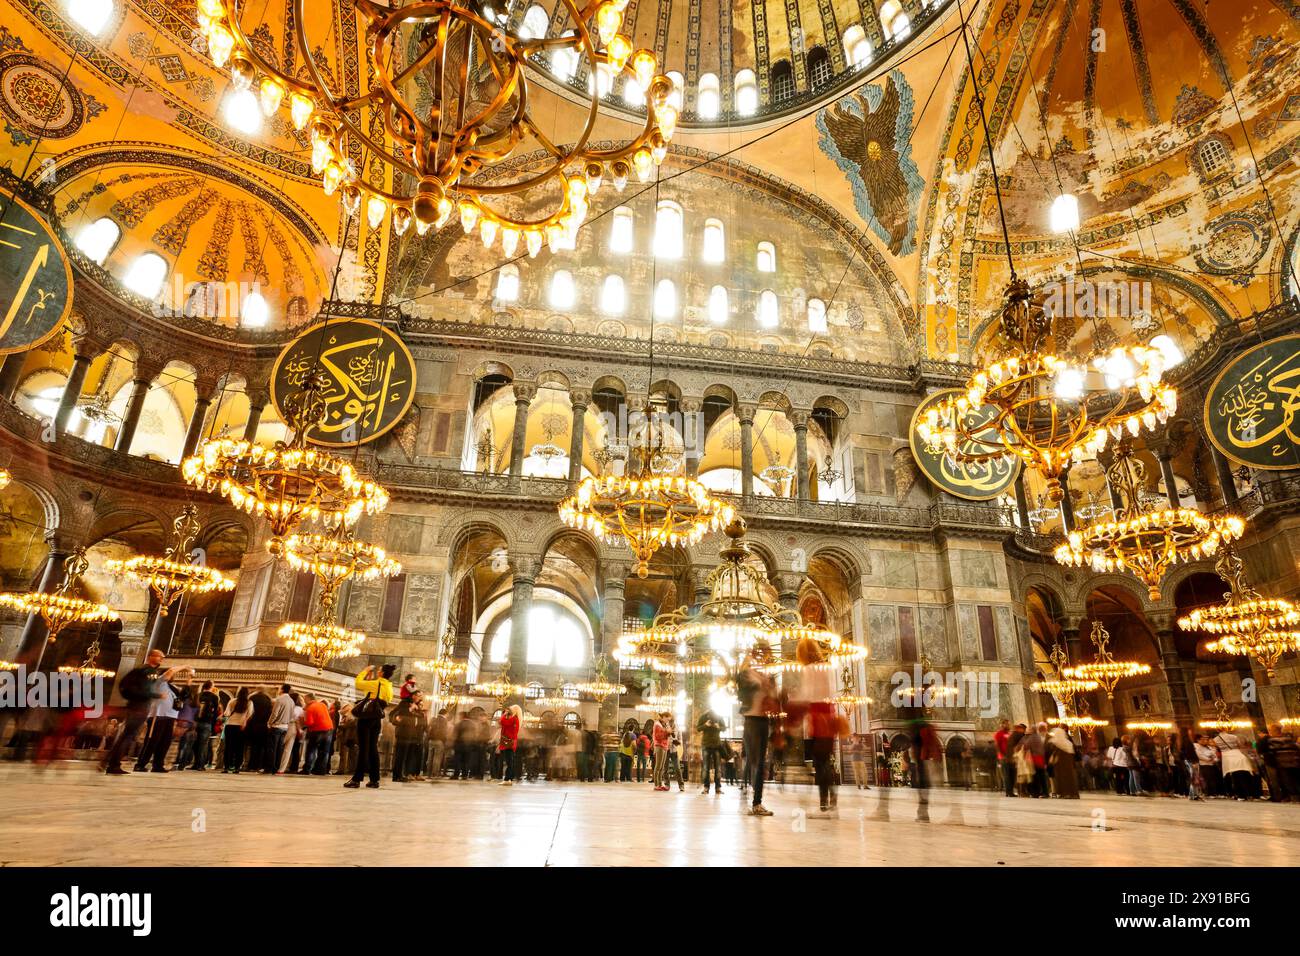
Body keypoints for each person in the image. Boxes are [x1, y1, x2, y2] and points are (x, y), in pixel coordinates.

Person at [104, 650, 189, 775]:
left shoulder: (144, 671)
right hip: (142, 708)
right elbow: (145, 689)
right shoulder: (150, 672)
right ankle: (114, 763)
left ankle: (111, 762)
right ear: (151, 657)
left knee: (128, 735)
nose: (162, 659)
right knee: (129, 736)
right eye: (160, 657)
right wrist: (157, 694)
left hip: (141, 706)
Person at [795, 636, 839, 813]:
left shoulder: (808, 670)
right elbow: (833, 692)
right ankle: (831, 794)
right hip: (829, 715)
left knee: (818, 761)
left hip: (815, 715)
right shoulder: (828, 667)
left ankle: (823, 800)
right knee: (825, 759)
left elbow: (807, 695)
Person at [736, 642, 777, 816]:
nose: (764, 657)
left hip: (763, 721)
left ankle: (757, 803)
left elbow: (773, 698)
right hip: (751, 721)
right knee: (756, 763)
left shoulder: (766, 675)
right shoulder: (747, 674)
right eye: (761, 653)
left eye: (767, 653)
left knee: (760, 762)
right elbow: (741, 685)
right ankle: (755, 802)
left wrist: (772, 688)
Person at [133, 664, 190, 773]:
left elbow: (184, 695)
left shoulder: (173, 687)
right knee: (152, 741)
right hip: (158, 716)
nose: (172, 675)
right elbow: (171, 670)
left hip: (171, 716)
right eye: (171, 674)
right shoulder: (159, 682)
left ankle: (158, 765)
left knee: (165, 742)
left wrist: (189, 679)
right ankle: (140, 764)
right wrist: (184, 666)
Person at [346, 664, 395, 789]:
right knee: (373, 749)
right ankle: (374, 779)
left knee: (363, 748)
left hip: (366, 718)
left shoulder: (376, 684)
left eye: (379, 670)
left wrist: (365, 671)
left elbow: (358, 683)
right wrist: (369, 679)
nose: (378, 671)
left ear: (382, 673)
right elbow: (370, 694)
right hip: (377, 719)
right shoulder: (389, 687)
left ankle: (356, 779)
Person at [390, 691, 426, 782]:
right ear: (413, 696)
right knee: (400, 756)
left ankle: (401, 775)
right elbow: (395, 714)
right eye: (418, 696)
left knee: (405, 756)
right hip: (403, 733)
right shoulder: (405, 703)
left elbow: (420, 716)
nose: (420, 697)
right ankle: (396, 776)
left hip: (411, 734)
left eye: (421, 696)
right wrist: (410, 710)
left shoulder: (416, 706)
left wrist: (415, 711)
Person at [1214, 727, 1257, 800]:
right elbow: (1240, 746)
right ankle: (1249, 794)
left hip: (1227, 758)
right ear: (1227, 729)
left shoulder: (1215, 739)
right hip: (1238, 756)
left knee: (1235, 777)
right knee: (1244, 775)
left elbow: (1217, 749)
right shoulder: (1234, 737)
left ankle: (1240, 795)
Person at [186, 681, 221, 770]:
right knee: (203, 745)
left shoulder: (198, 695)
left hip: (195, 722)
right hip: (207, 723)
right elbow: (216, 711)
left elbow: (192, 708)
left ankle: (195, 764)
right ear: (211, 687)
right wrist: (213, 725)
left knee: (195, 744)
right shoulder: (214, 697)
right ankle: (200, 765)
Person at [299, 694, 334, 775]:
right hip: (329, 730)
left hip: (317, 730)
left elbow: (310, 723)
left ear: (308, 699)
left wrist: (302, 722)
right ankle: (321, 771)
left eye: (305, 700)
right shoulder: (322, 705)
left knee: (311, 750)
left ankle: (307, 769)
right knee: (324, 752)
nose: (304, 702)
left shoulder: (310, 708)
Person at [265, 684, 295, 774]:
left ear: (281, 690)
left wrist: (269, 723)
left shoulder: (280, 699)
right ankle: (276, 767)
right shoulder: (291, 701)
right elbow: (291, 715)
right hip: (285, 727)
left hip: (276, 726)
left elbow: (275, 713)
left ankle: (270, 768)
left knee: (272, 748)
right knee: (279, 748)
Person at [221, 687, 251, 773]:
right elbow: (249, 714)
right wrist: (244, 722)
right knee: (239, 748)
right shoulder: (249, 703)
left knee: (228, 747)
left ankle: (226, 767)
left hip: (230, 726)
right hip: (241, 727)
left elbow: (226, 713)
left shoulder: (232, 701)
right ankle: (237, 768)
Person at [243, 686, 272, 771]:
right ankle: (259, 765)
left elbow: (248, 712)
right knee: (261, 747)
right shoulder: (268, 699)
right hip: (263, 727)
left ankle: (250, 765)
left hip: (252, 726)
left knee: (252, 747)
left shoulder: (252, 698)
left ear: (257, 690)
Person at [697, 708, 725, 794]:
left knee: (718, 768)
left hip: (717, 745)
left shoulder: (719, 717)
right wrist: (705, 725)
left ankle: (718, 788)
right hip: (706, 745)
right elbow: (698, 728)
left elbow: (724, 728)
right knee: (706, 768)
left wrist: (718, 727)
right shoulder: (703, 717)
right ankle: (706, 787)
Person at [1047, 724, 1079, 798]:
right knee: (1069, 778)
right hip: (1068, 766)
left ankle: (1065, 793)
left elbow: (1054, 753)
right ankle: (1072, 794)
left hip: (1060, 765)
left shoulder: (1056, 742)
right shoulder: (1068, 743)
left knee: (1063, 779)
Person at [499, 704, 522, 785]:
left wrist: (504, 715)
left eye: (510, 709)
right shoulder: (516, 719)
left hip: (508, 743)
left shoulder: (513, 719)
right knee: (510, 761)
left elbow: (502, 722)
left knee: (509, 762)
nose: (508, 711)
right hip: (511, 742)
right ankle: (510, 779)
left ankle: (507, 779)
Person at [994, 719, 1014, 797]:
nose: (1008, 725)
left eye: (1009, 724)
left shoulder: (1009, 733)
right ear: (1002, 725)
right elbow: (997, 745)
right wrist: (1002, 755)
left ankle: (1011, 791)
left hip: (1011, 757)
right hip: (1004, 758)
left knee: (1012, 775)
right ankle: (1008, 792)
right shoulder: (999, 734)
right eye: (1007, 724)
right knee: (1007, 775)